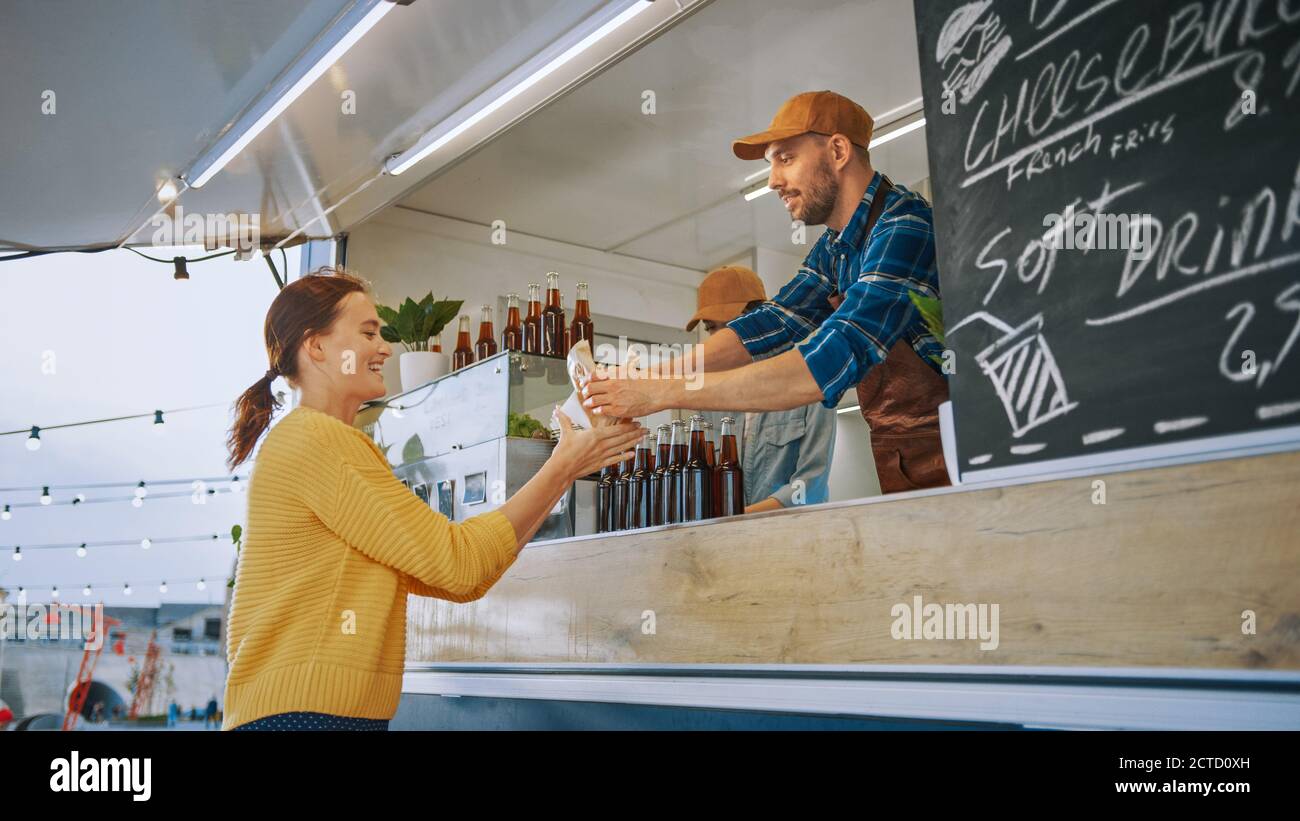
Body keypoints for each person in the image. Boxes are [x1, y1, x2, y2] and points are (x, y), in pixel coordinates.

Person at [222, 267, 644, 731]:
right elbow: (458, 562)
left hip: (308, 713)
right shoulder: (318, 439)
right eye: (367, 333)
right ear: (316, 346)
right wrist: (562, 465)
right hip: (304, 717)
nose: (385, 347)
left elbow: (462, 579)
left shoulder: (317, 440)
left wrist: (567, 468)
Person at [583, 90, 949, 493]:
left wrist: (661, 393)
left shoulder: (904, 226)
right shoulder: (835, 247)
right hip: (901, 463)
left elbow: (828, 362)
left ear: (839, 150)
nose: (774, 180)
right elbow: (773, 321)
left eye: (786, 158)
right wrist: (648, 375)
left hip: (961, 456)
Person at [687, 265, 836, 511]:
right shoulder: (706, 399)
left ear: (756, 319)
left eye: (726, 326)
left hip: (792, 538)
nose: (716, 339)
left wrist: (739, 518)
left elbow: (811, 485)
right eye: (710, 327)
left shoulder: (809, 380)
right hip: (721, 539)